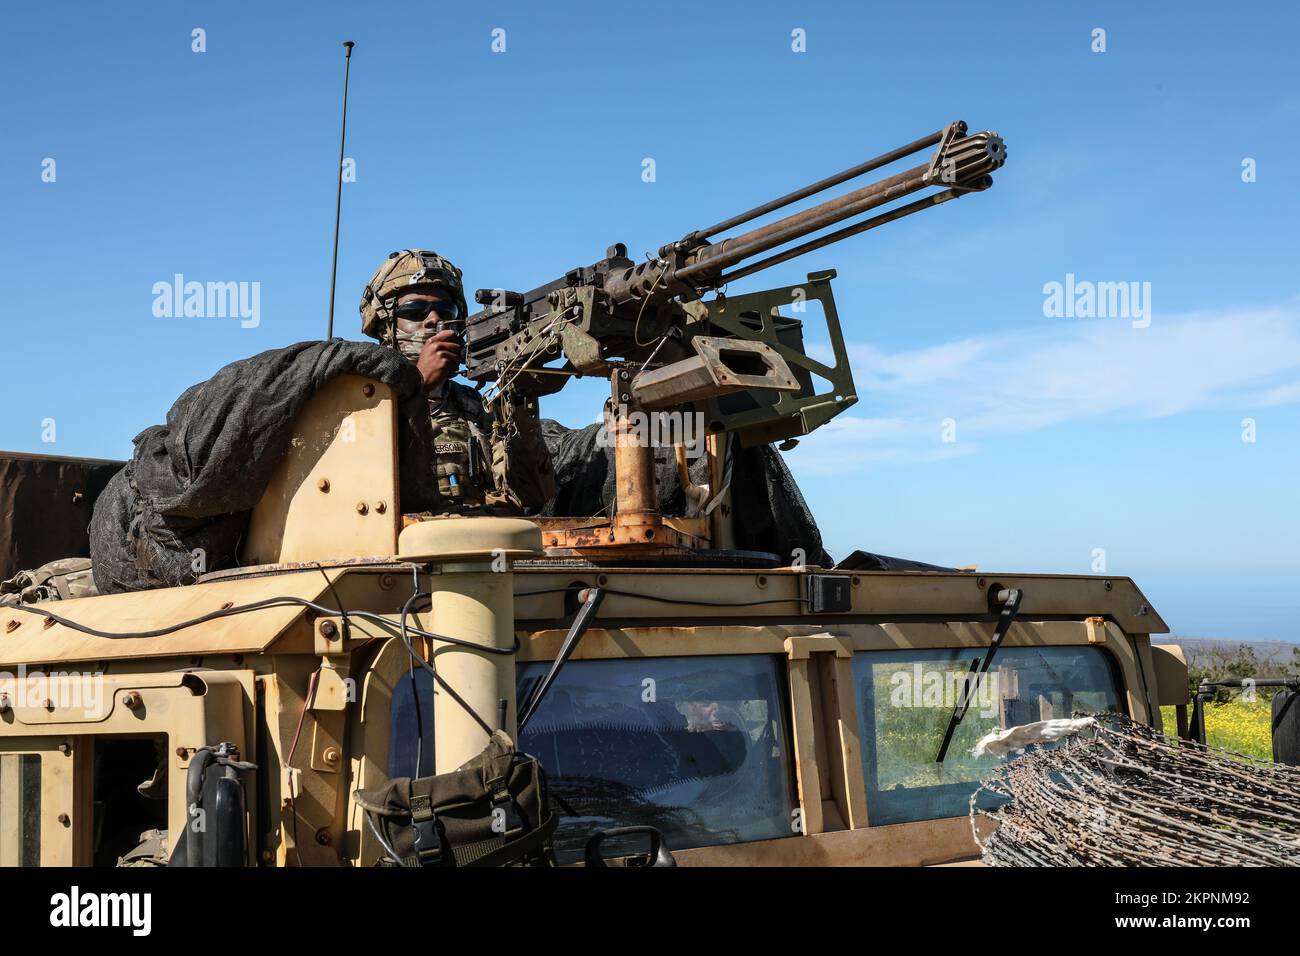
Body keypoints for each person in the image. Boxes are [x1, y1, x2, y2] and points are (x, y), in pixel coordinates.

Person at [359, 249, 554, 513]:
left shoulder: (473, 407)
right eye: (415, 311)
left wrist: (520, 402)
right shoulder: (363, 400)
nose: (434, 319)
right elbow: (360, 491)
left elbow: (532, 496)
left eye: (444, 309)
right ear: (386, 326)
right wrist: (418, 386)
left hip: (473, 546)